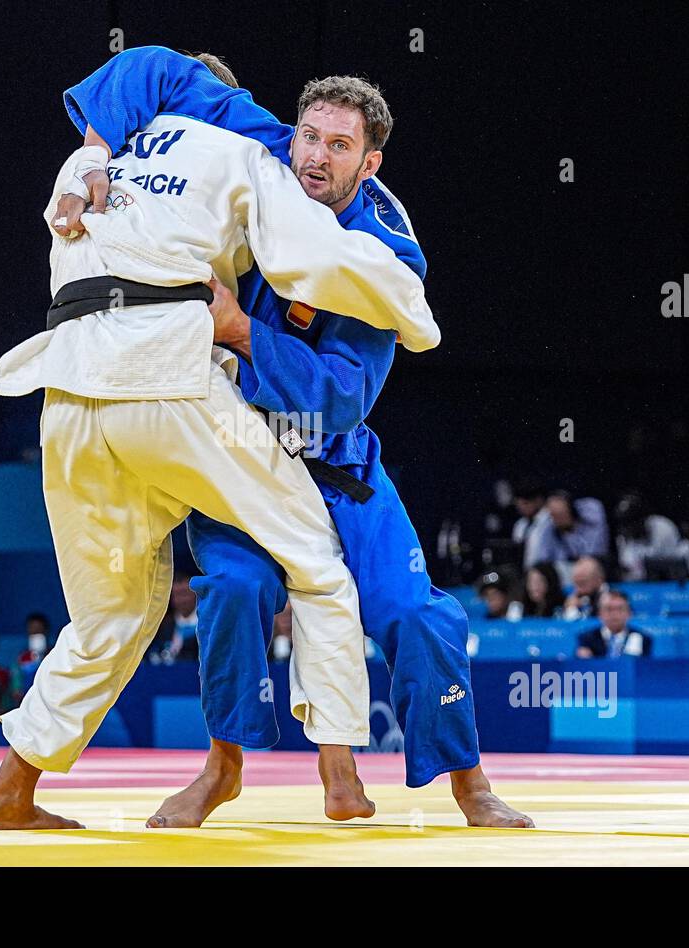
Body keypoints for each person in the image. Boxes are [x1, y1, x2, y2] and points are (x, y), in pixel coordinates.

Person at [50, 46, 531, 829]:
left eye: (339, 146)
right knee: (234, 591)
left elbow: (343, 396)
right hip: (235, 449)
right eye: (310, 136)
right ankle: (223, 768)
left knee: (415, 613)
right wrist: (94, 152)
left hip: (336, 460)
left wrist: (242, 332)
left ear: (370, 161)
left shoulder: (382, 249)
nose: (315, 157)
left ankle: (469, 782)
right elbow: (166, 76)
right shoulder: (265, 147)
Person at [0, 49, 442, 831]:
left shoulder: (103, 151)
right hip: (168, 378)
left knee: (107, 618)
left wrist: (89, 151)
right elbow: (310, 258)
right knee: (316, 560)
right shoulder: (244, 150)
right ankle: (340, 769)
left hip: (67, 388)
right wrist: (414, 315)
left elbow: (137, 67)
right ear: (226, 100)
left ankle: (8, 792)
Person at [530, 491, 610, 572]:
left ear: (571, 510)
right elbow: (541, 561)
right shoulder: (548, 529)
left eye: (561, 514)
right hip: (565, 574)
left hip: (595, 566)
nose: (558, 520)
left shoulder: (591, 520)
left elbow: (595, 553)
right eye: (554, 515)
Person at [575, 590, 653, 658]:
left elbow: (645, 669)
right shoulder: (586, 639)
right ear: (599, 613)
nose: (614, 614)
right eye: (609, 609)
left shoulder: (644, 638)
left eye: (620, 609)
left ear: (629, 613)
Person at [560, 556, 608, 621]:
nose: (578, 589)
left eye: (582, 583)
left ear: (598, 579)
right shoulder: (572, 597)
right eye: (576, 583)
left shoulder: (610, 599)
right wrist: (571, 609)